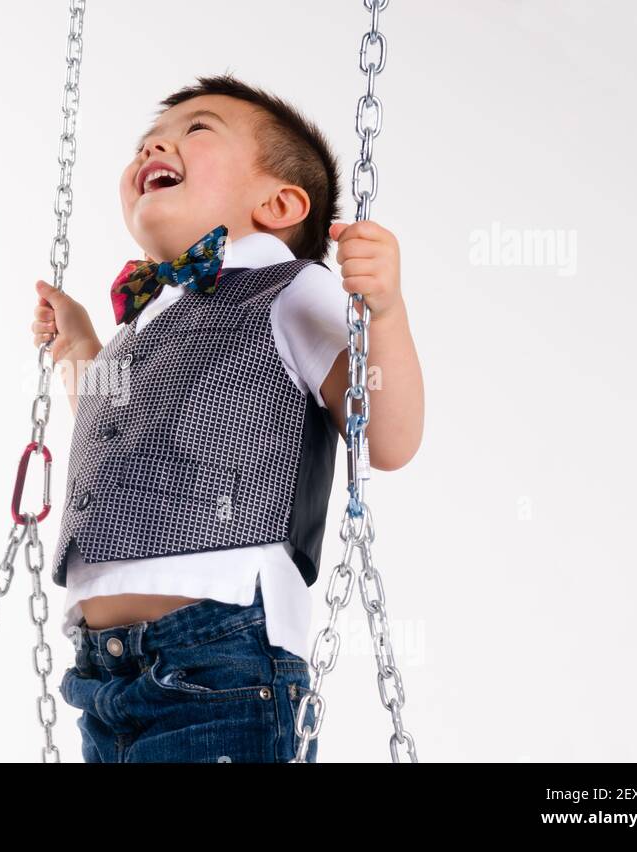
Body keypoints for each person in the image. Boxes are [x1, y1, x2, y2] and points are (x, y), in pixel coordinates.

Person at [30, 73, 424, 762]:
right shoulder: (147, 319)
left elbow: (383, 436)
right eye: (149, 137)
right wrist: (80, 342)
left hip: (222, 652)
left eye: (197, 129)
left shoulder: (292, 290)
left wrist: (384, 313)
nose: (157, 141)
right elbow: (110, 413)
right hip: (100, 673)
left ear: (278, 204)